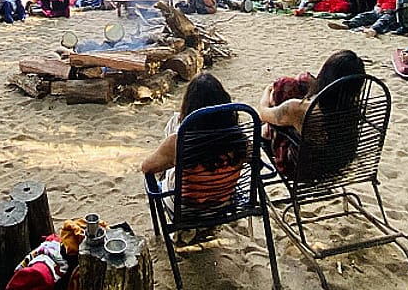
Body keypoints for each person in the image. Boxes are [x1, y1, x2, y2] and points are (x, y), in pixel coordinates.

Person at [141, 73, 246, 206]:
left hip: (186, 208)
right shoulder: (239, 138)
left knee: (175, 123)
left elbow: (146, 167)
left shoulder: (179, 141)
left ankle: (175, 162)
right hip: (224, 201)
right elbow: (253, 161)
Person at [258, 50, 366, 176]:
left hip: (300, 169)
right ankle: (268, 129)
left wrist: (268, 89)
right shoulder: (352, 109)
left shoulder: (299, 109)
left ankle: (267, 130)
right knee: (292, 84)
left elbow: (262, 113)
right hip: (337, 167)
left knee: (283, 86)